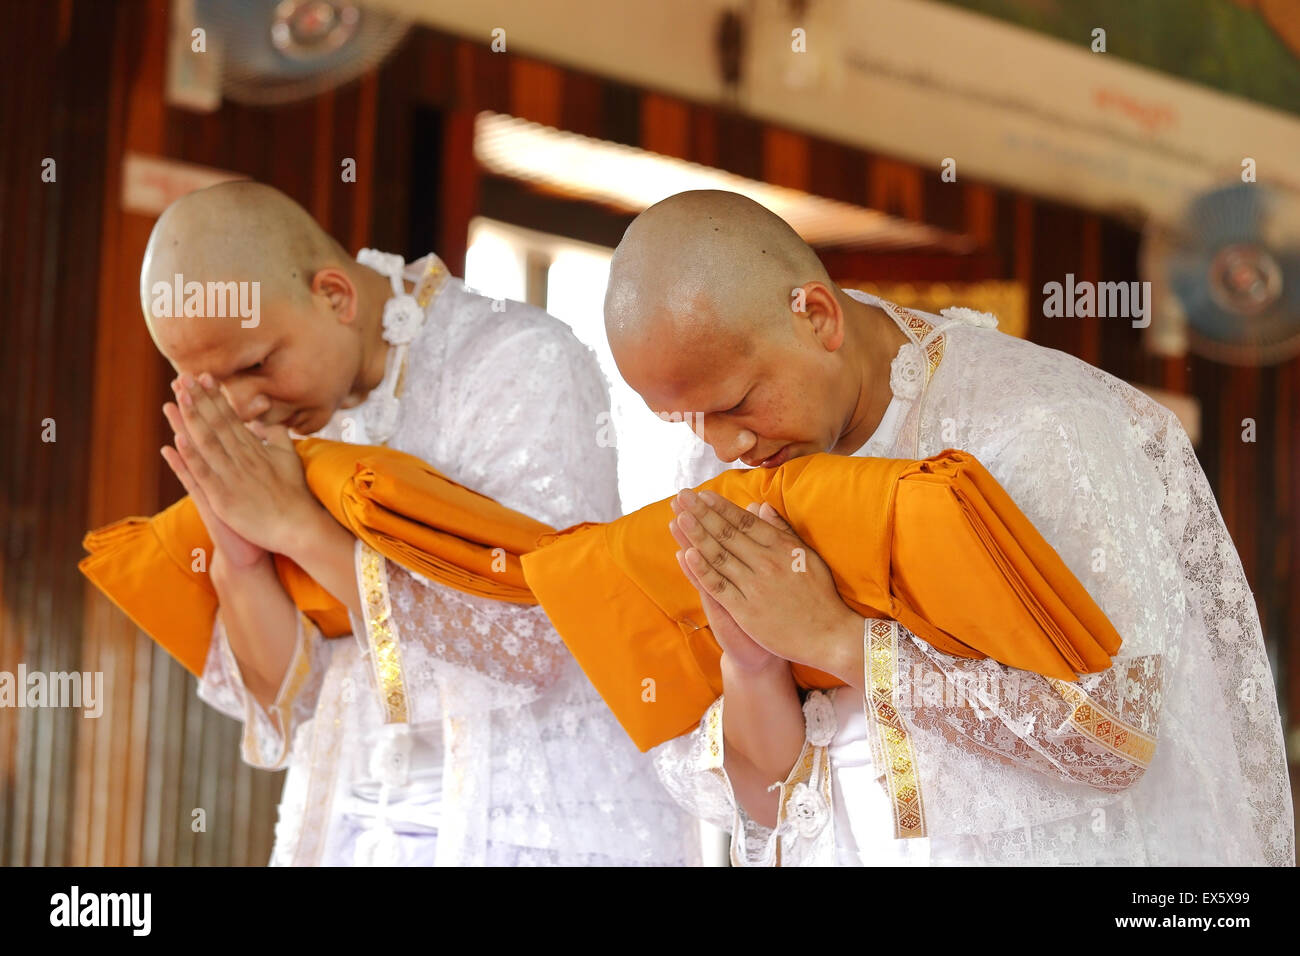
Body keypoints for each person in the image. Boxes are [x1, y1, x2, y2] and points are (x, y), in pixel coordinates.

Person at [604, 189, 1294, 866]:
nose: (724, 448)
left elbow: (1117, 737)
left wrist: (836, 641)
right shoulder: (717, 467)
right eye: (689, 420)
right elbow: (775, 807)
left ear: (816, 316)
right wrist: (751, 662)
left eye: (736, 404)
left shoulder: (1039, 425)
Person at [142, 180, 697, 866]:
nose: (244, 405)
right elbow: (293, 697)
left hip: (536, 815)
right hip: (354, 819)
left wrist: (298, 530)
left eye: (256, 365)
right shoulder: (279, 418)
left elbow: (537, 638)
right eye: (209, 384)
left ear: (335, 296)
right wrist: (242, 556)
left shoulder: (519, 359)